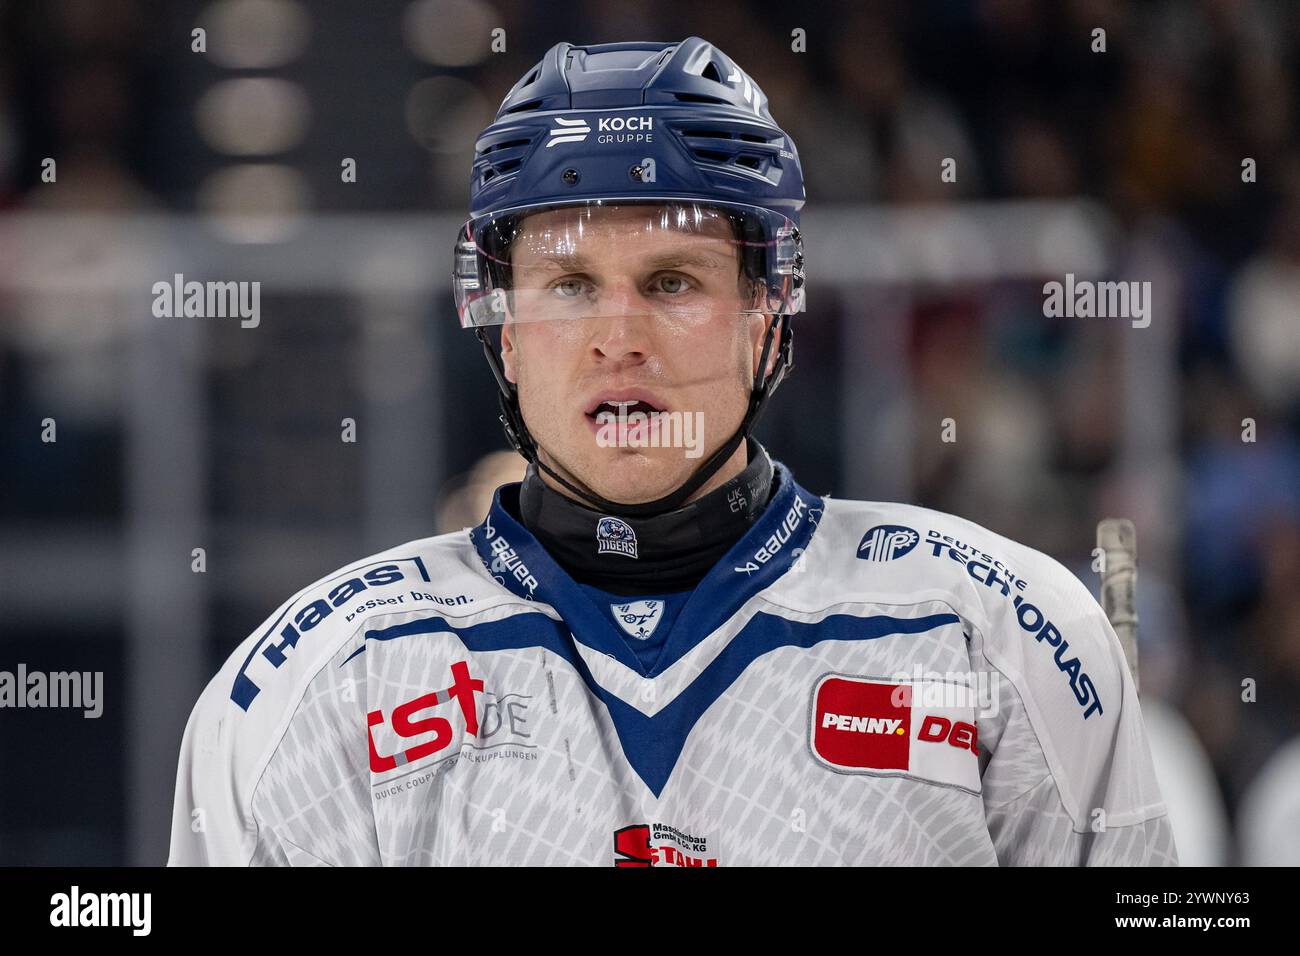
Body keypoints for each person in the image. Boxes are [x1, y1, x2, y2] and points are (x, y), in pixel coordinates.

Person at [168, 36, 1175, 866]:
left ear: (766, 312)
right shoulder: (317, 688)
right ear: (503, 329)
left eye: (674, 280)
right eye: (567, 285)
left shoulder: (1005, 637)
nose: (619, 336)